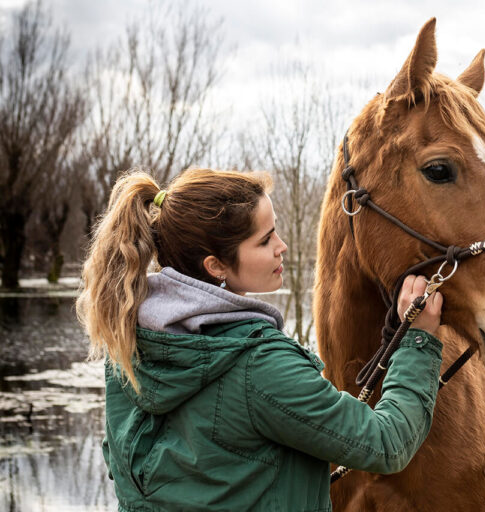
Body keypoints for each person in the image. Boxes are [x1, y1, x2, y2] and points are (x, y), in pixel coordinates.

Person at [76, 168, 444, 512]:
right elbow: (386, 443)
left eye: (276, 231)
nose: (282, 247)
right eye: (265, 240)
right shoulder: (261, 365)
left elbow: (123, 459)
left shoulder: (127, 342)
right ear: (215, 266)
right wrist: (418, 339)